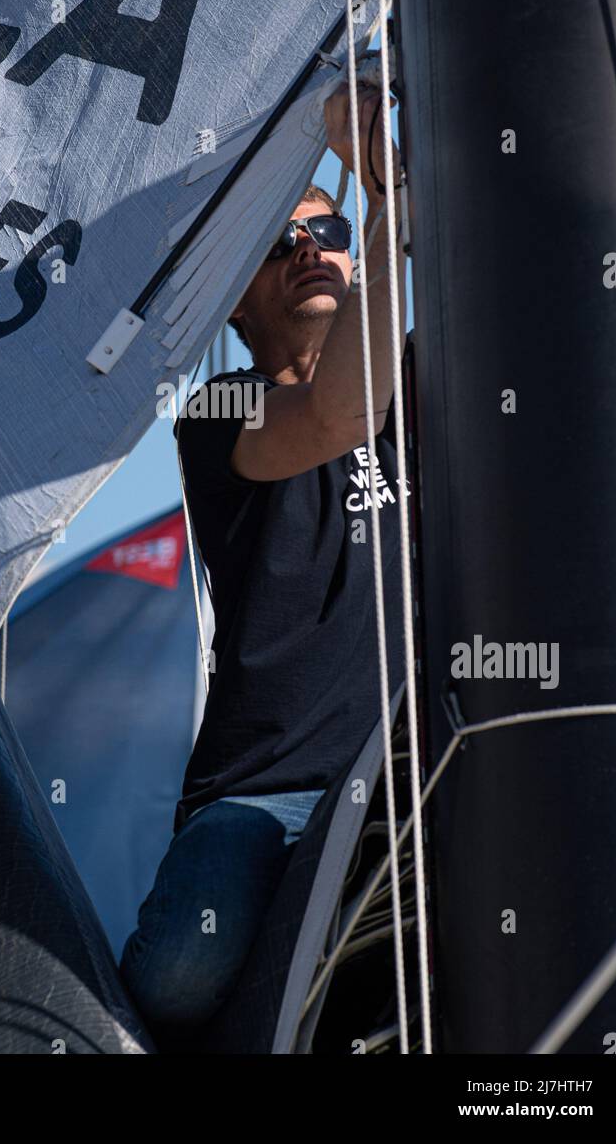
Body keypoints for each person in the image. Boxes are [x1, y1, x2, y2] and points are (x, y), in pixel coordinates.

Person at [119, 81, 409, 1050]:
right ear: (234, 303)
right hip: (261, 795)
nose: (307, 252)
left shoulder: (439, 382)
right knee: (179, 976)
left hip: (409, 775)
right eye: (277, 245)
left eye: (324, 230)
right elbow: (338, 414)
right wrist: (383, 208)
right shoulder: (212, 415)